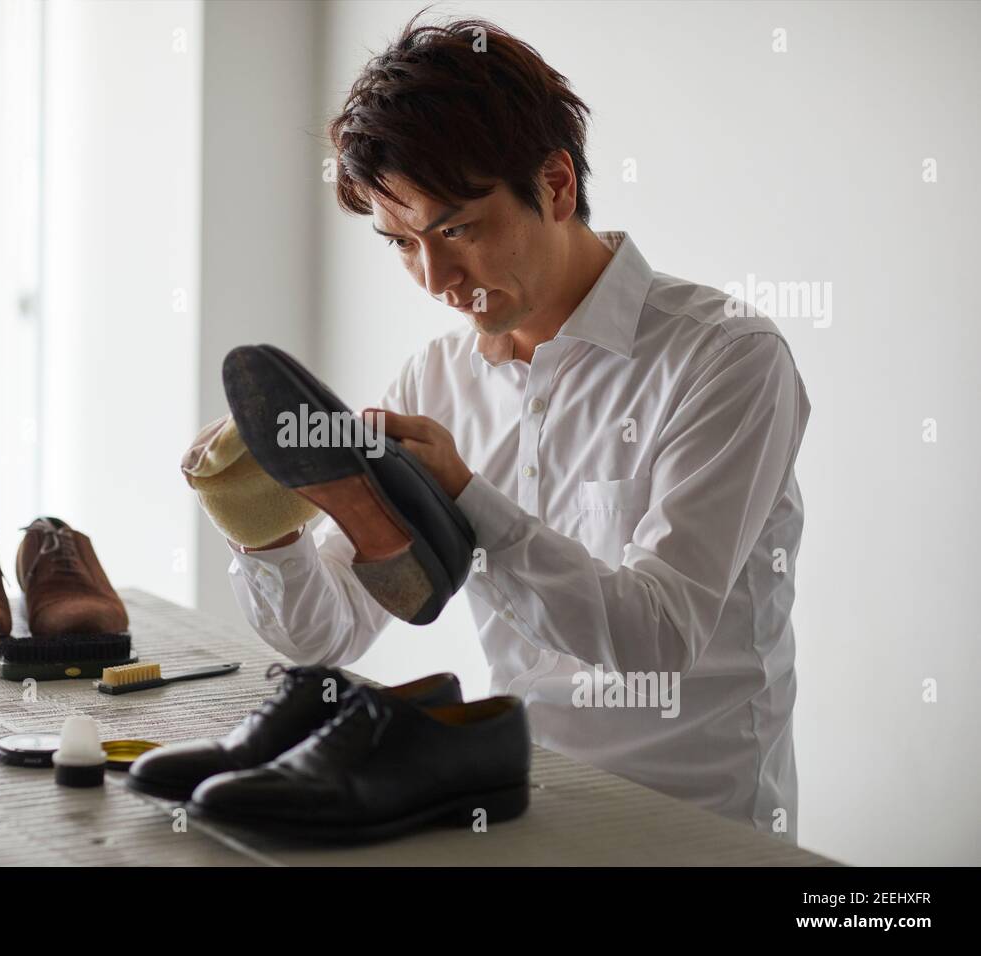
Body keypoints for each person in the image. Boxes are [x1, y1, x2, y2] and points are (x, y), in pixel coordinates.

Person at [222, 13, 811, 841]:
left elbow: (659, 636)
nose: (434, 277)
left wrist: (468, 498)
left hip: (697, 832)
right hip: (519, 806)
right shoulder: (437, 378)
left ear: (557, 184)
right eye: (401, 243)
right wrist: (260, 526)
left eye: (456, 229)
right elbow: (332, 630)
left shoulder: (727, 358)